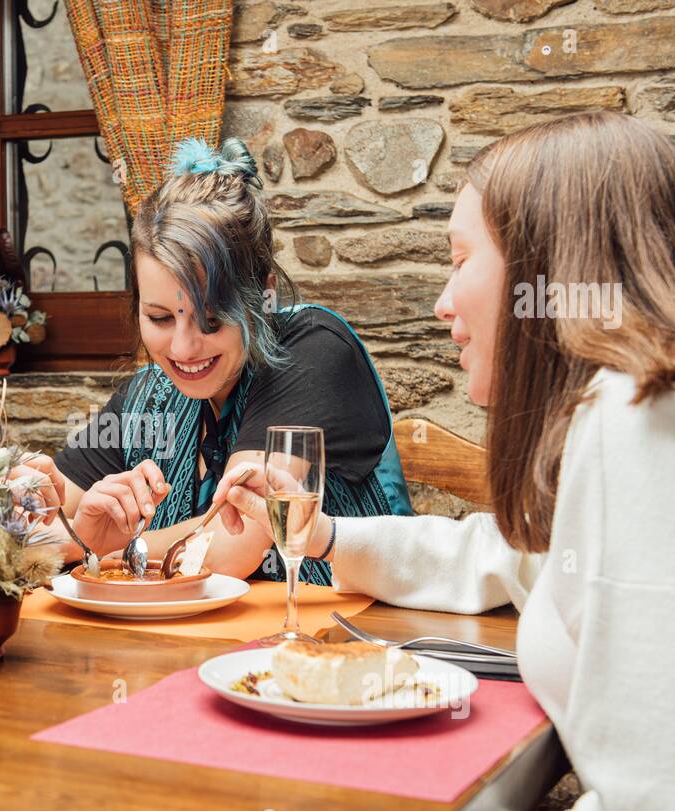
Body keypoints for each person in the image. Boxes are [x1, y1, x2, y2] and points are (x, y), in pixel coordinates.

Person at [213, 112, 675, 811]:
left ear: (549, 269)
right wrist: (325, 536)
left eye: (460, 260)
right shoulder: (668, 402)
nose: (443, 302)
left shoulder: (648, 421)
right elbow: (513, 556)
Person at [34, 138, 410, 583]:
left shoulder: (313, 350)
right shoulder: (147, 395)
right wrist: (22, 494)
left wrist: (92, 544)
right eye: (159, 318)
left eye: (212, 320)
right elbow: (43, 521)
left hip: (354, 623)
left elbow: (233, 544)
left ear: (264, 295)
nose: (182, 348)